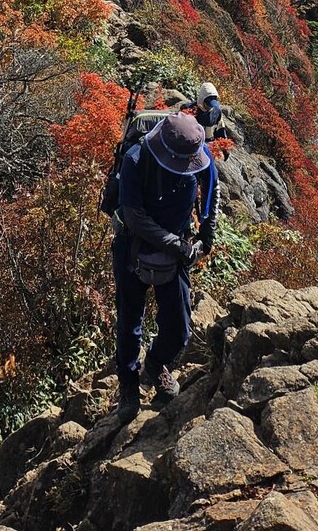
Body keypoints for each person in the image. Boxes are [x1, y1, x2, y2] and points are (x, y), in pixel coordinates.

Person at [113, 111, 220, 421]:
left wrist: (207, 230)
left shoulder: (197, 149)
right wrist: (179, 247)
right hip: (133, 247)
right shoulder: (136, 160)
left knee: (179, 328)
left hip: (178, 249)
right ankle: (129, 386)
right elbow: (134, 216)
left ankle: (157, 363)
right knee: (130, 322)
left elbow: (212, 189)